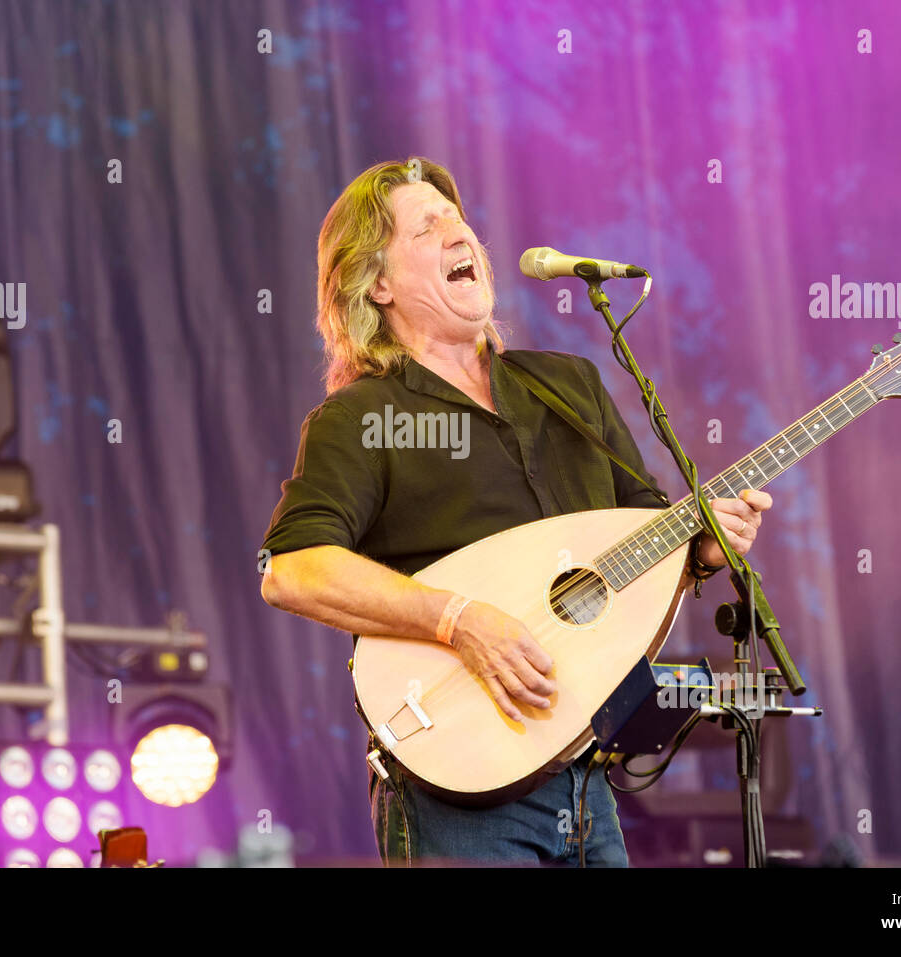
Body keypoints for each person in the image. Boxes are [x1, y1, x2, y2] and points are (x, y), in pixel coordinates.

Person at [260, 157, 774, 866]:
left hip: (584, 776)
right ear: (376, 283)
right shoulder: (362, 417)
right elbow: (294, 570)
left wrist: (702, 551)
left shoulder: (568, 386)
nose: (457, 231)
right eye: (426, 224)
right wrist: (458, 619)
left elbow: (646, 536)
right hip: (455, 782)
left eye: (458, 217)